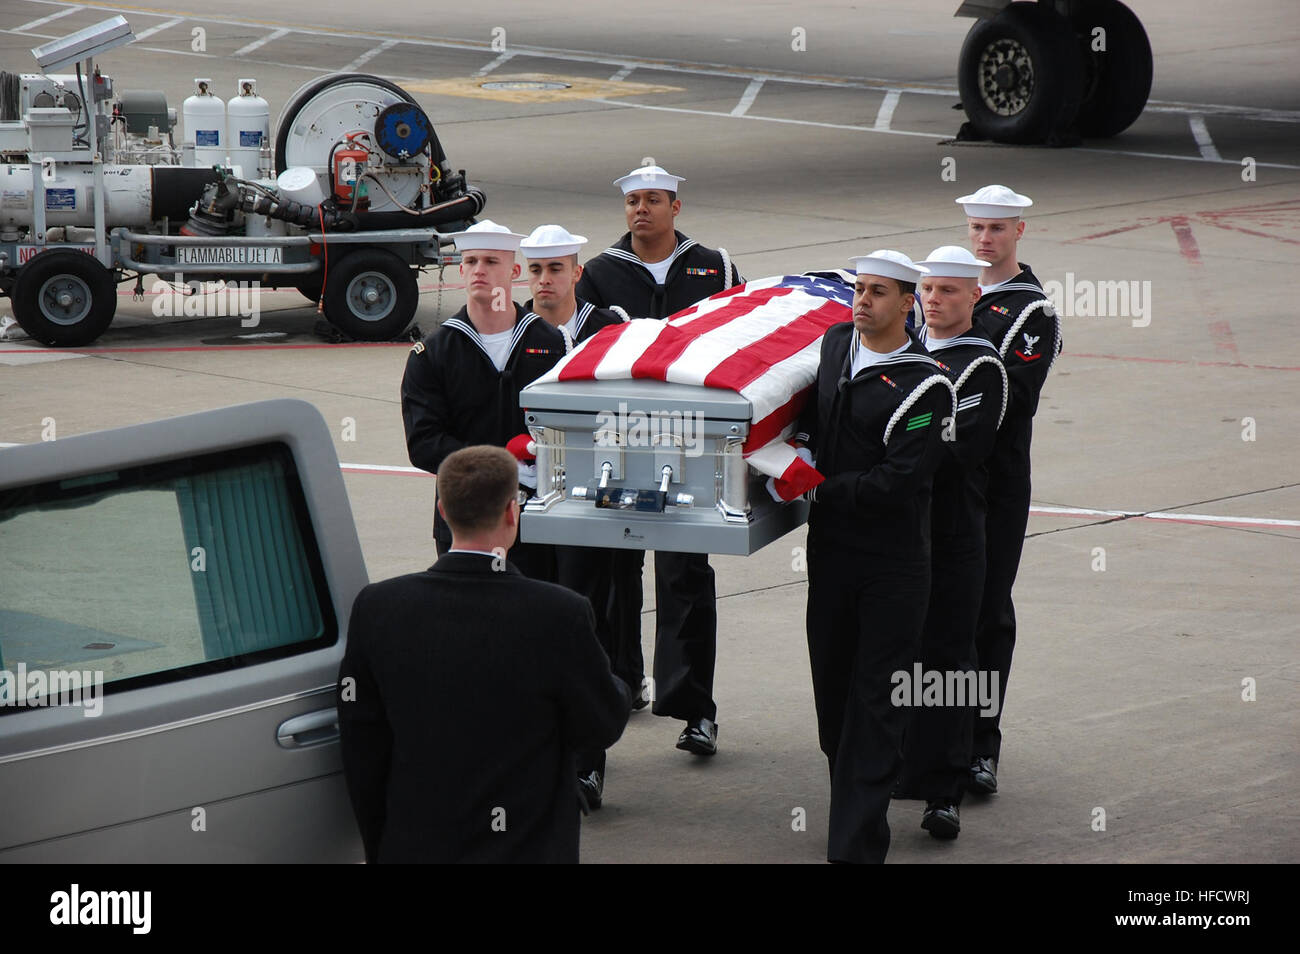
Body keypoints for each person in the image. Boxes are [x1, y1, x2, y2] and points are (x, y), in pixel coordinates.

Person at [337, 445, 631, 863]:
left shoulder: (378, 608)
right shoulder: (557, 615)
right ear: (513, 513)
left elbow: (362, 748)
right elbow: (601, 724)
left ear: (442, 510)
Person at [575, 164, 743, 756]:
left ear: (677, 206)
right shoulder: (596, 274)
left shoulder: (714, 267)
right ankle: (622, 685)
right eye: (632, 202)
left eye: (653, 200)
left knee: (684, 572)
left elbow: (737, 338)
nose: (640, 210)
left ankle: (696, 708)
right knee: (616, 574)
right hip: (618, 441)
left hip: (689, 441)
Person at [796, 250, 955, 863]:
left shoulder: (928, 386)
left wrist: (813, 487)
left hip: (893, 565)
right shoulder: (836, 344)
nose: (863, 301)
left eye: (879, 292)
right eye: (859, 289)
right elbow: (810, 415)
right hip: (831, 555)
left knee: (877, 701)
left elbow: (897, 482)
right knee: (833, 698)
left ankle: (857, 845)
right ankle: (855, 799)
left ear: (908, 302)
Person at [895, 246, 1009, 839]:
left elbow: (959, 444)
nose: (933, 300)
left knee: (950, 659)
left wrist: (897, 447)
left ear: (974, 298)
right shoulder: (904, 354)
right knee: (904, 653)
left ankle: (946, 786)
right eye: (927, 290)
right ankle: (911, 765)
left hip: (956, 534)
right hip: (905, 533)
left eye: (947, 291)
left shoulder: (983, 367)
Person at [957, 185, 1063, 795]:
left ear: (1019, 231)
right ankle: (938, 736)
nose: (985, 239)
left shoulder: (1031, 312)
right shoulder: (947, 292)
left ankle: (982, 743)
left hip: (995, 484)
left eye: (997, 228)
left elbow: (1013, 398)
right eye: (977, 228)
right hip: (945, 483)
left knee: (987, 611)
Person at [520, 223, 629, 809]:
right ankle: (547, 752)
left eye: (555, 269)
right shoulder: (514, 334)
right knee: (536, 627)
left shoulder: (607, 329)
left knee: (591, 627)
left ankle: (589, 762)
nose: (544, 281)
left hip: (595, 507)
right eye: (535, 270)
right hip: (535, 510)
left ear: (576, 272)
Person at [401, 219, 566, 582]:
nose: (479, 270)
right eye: (472, 261)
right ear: (460, 269)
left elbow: (571, 425)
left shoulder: (554, 344)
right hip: (465, 520)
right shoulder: (431, 354)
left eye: (492, 261)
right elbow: (424, 444)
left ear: (515, 271)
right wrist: (503, 464)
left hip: (537, 519)